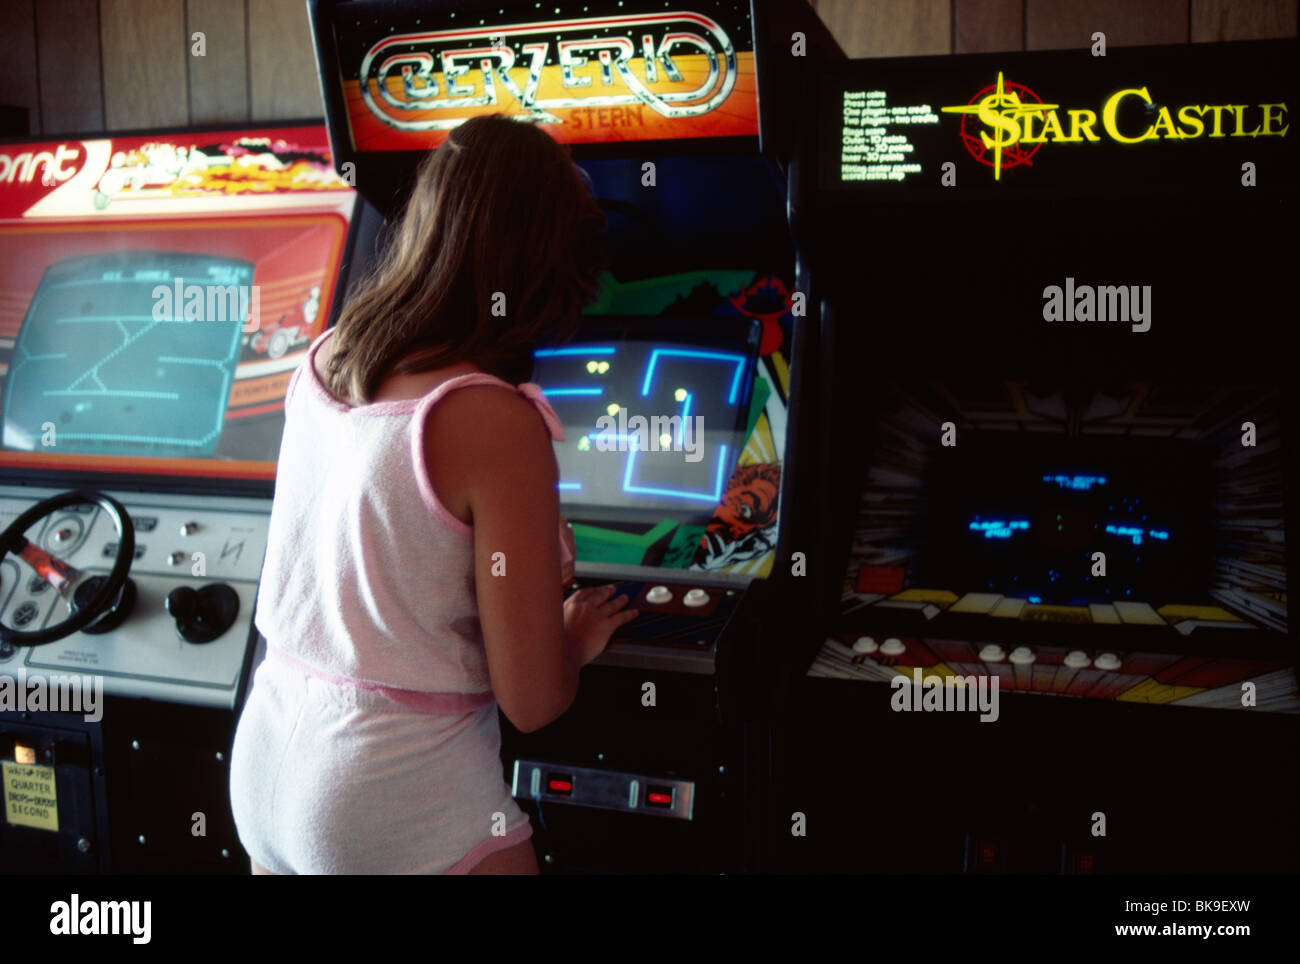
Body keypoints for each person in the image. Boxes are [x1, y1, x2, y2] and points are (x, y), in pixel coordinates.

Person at [228, 115, 637, 874]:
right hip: (395, 789)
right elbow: (533, 701)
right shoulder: (490, 418)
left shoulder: (328, 356)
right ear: (550, 259)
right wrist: (572, 635)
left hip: (268, 758)